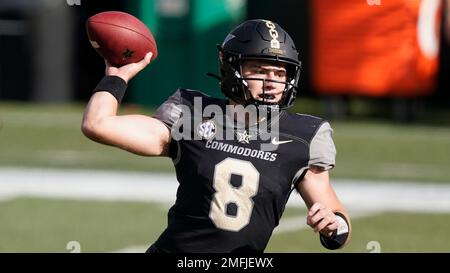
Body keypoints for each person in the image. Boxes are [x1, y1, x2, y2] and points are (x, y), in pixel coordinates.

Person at [81, 19, 351, 253]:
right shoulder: (192, 113)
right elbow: (98, 124)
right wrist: (117, 76)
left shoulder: (304, 135)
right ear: (232, 67)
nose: (272, 83)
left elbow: (339, 224)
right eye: (259, 70)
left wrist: (333, 224)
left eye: (280, 73)